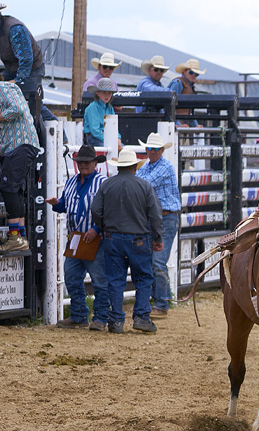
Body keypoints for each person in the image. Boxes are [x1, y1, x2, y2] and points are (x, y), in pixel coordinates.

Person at [91, 147, 164, 334]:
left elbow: (95, 210)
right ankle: (141, 317)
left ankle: (115, 321)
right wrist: (157, 237)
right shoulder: (144, 186)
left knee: (115, 280)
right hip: (138, 238)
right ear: (134, 167)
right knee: (143, 278)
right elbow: (155, 215)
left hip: (112, 238)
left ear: (119, 167)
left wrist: (104, 225)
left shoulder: (107, 185)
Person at [45, 145, 111, 329]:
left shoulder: (103, 182)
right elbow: (65, 205)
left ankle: (100, 318)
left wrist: (96, 229)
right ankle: (79, 315)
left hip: (95, 239)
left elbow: (108, 211)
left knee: (99, 281)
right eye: (80, 162)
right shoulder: (71, 182)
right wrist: (57, 203)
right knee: (72, 276)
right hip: (76, 237)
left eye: (86, 162)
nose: (83, 165)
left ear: (94, 163)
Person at [136, 132, 180, 318]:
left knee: (157, 261)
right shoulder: (149, 167)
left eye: (155, 149)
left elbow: (142, 183)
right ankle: (159, 301)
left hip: (166, 218)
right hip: (156, 219)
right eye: (150, 148)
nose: (152, 151)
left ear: (162, 150)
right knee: (153, 261)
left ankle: (161, 303)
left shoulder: (165, 168)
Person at [0, 81, 42, 254]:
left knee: (8, 188)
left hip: (19, 145)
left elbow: (17, 108)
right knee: (15, 190)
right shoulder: (8, 88)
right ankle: (20, 236)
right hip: (21, 145)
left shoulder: (3, 88)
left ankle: (14, 236)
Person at [0, 3, 56, 122]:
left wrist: (16, 81)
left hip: (32, 69)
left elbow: (26, 60)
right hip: (12, 68)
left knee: (33, 105)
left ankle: (58, 132)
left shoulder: (15, 29)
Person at [83, 77, 121, 149]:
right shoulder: (92, 107)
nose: (107, 95)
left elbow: (114, 127)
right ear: (98, 93)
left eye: (109, 93)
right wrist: (112, 141)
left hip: (106, 137)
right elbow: (95, 131)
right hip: (93, 139)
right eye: (104, 92)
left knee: (122, 148)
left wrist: (118, 138)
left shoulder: (110, 108)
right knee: (112, 148)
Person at [170, 58, 205, 127]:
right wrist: (177, 124)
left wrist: (196, 125)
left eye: (196, 74)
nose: (193, 75)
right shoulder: (177, 82)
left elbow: (190, 110)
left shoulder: (190, 86)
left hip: (183, 124)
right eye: (191, 72)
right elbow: (169, 104)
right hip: (176, 124)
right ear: (184, 71)